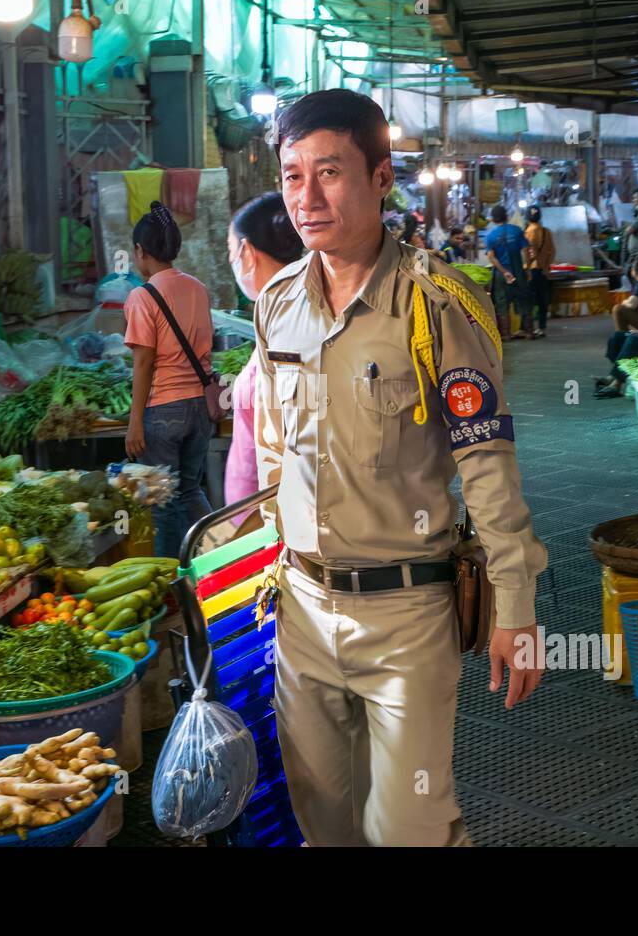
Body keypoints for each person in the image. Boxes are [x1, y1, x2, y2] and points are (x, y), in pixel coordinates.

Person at [255, 88, 546, 847]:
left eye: (330, 172)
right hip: (302, 613)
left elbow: (486, 461)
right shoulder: (276, 302)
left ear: (383, 176)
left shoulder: (437, 302)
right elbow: (272, 448)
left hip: (407, 617)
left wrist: (516, 605)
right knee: (325, 825)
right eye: (291, 176)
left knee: (410, 829)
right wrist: (268, 557)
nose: (307, 197)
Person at [122, 202, 216, 558]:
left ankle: (172, 586)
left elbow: (144, 362)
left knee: (165, 504)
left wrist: (135, 423)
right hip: (199, 408)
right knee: (189, 491)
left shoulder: (141, 297)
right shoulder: (197, 288)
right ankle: (227, 560)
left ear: (141, 251)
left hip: (164, 411)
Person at [224, 192, 305, 511]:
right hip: (255, 511)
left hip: (267, 519)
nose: (233, 260)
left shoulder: (288, 322)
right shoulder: (278, 313)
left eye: (231, 251)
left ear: (246, 252)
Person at [482, 204, 530, 339]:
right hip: (518, 270)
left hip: (500, 274)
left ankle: (506, 334)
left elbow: (491, 257)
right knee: (524, 299)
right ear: (506, 216)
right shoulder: (517, 231)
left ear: (493, 219)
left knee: (502, 303)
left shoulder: (490, 235)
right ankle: (528, 331)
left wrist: (504, 272)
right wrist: (527, 268)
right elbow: (526, 251)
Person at [522, 205, 555, 339]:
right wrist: (546, 267)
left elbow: (529, 252)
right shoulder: (547, 231)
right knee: (542, 300)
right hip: (543, 271)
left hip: (532, 269)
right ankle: (541, 327)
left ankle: (529, 328)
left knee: (529, 299)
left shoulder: (528, 231)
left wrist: (528, 268)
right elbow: (552, 251)